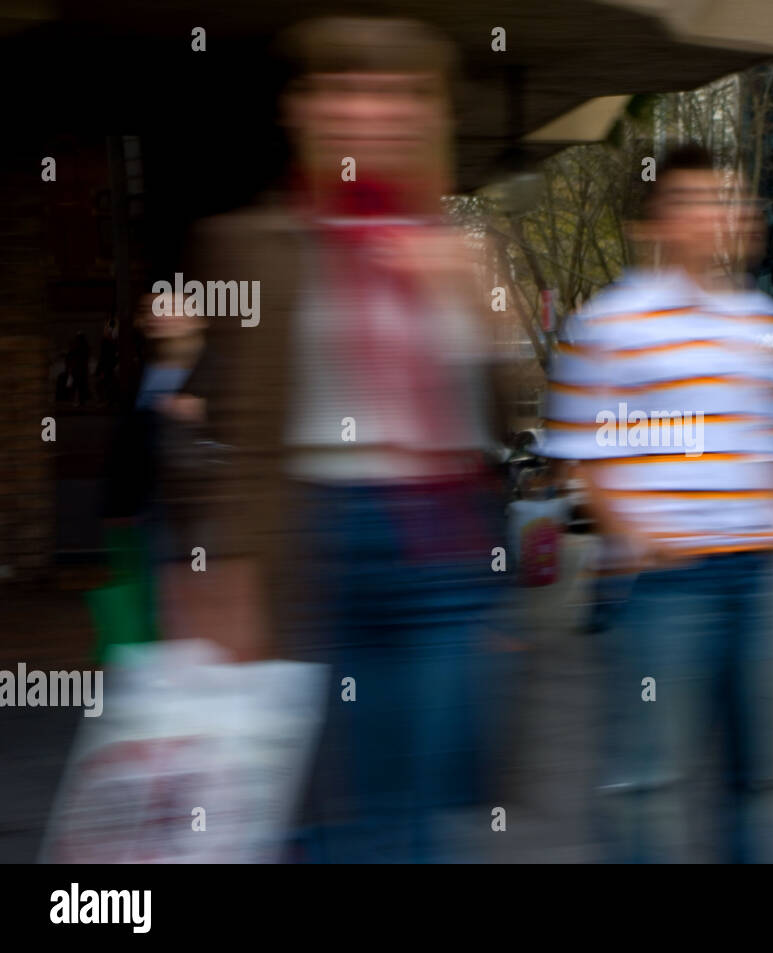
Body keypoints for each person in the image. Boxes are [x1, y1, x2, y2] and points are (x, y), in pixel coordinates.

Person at [170, 17, 516, 862]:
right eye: (347, 89)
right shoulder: (249, 243)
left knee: (425, 809)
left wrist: (482, 312)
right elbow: (231, 428)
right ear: (303, 108)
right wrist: (219, 569)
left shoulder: (458, 247)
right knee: (324, 811)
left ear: (429, 114)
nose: (373, 113)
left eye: (400, 94)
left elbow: (505, 420)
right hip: (314, 538)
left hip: (446, 547)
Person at [541, 144, 773, 862]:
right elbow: (575, 457)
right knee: (648, 780)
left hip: (757, 580)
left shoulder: (769, 324)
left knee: (753, 777)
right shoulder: (609, 324)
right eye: (699, 201)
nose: (722, 215)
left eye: (728, 200)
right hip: (660, 584)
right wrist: (636, 534)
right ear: (657, 222)